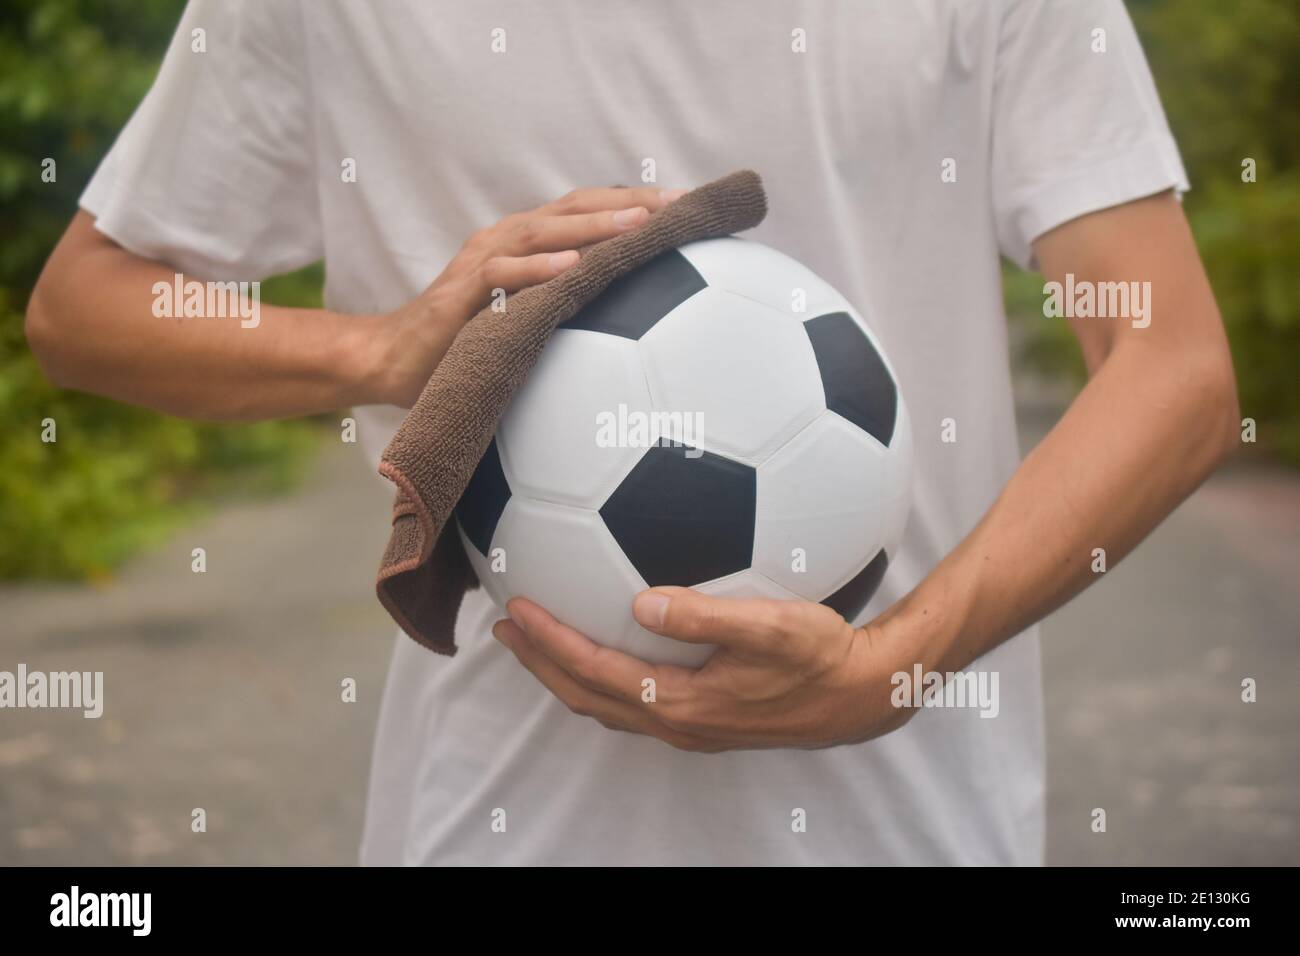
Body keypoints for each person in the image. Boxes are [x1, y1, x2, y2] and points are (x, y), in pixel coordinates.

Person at [25, 0, 1238, 865]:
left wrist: (897, 661)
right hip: (498, 812)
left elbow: (1170, 361)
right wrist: (377, 349)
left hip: (908, 818)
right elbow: (85, 305)